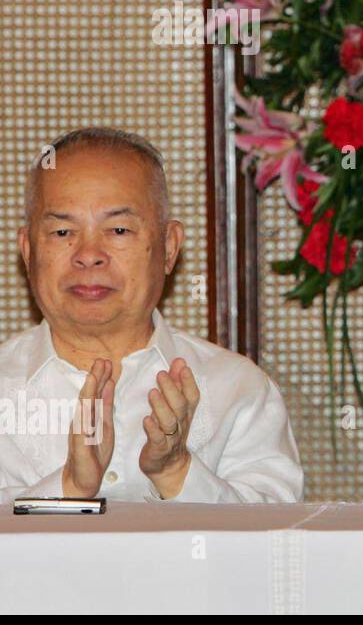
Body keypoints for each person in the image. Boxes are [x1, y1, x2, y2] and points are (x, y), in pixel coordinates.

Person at [0, 128, 303, 503]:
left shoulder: (237, 390)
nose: (89, 254)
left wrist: (176, 472)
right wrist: (69, 490)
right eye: (63, 231)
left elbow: (273, 550)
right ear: (28, 249)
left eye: (119, 230)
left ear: (169, 247)